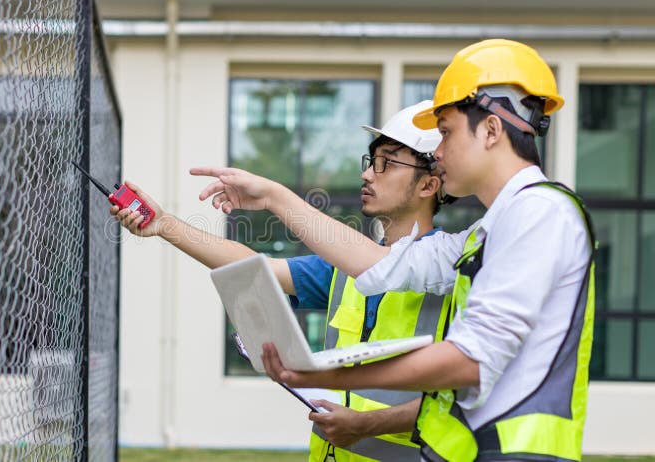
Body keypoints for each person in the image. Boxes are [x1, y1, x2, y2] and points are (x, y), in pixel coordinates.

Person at [191, 39, 596, 462]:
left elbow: (471, 360)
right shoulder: (488, 231)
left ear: (491, 130)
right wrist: (273, 195)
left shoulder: (540, 213)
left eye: (445, 133)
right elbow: (377, 263)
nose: (437, 154)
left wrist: (328, 376)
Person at [113, 101, 453, 461]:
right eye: (371, 163)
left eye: (387, 164)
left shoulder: (456, 275)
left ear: (429, 185)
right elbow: (257, 267)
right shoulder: (346, 269)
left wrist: (368, 424)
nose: (368, 175)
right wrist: (164, 224)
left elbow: (462, 395)